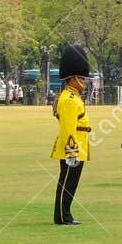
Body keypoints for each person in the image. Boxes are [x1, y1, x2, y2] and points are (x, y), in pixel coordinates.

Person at [51, 43, 93, 226]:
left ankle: (65, 213)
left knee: (71, 183)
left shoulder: (73, 97)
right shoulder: (68, 100)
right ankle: (62, 216)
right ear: (73, 78)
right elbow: (68, 128)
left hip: (78, 146)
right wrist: (71, 152)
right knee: (67, 182)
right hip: (73, 147)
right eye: (82, 78)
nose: (84, 82)